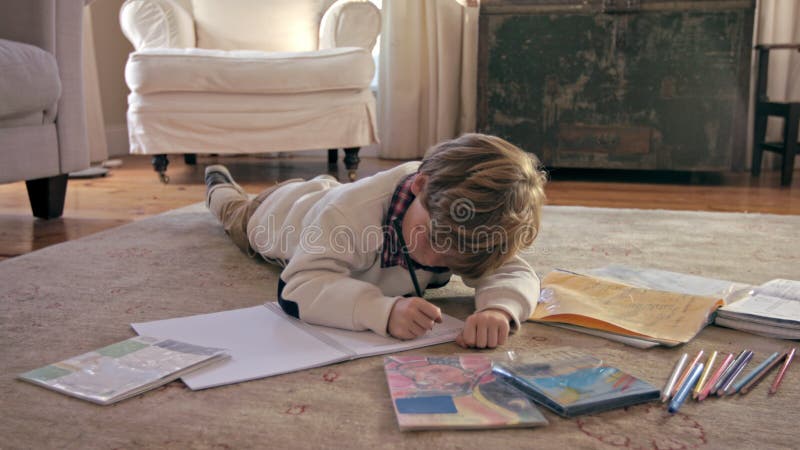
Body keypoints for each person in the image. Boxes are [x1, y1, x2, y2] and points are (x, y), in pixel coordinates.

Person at [205, 133, 547, 349]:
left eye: (452, 258)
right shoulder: (348, 216)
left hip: (331, 197)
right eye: (432, 239)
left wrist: (500, 309)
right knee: (232, 211)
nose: (433, 260)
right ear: (419, 186)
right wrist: (382, 311)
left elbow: (513, 272)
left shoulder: (471, 223)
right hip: (277, 213)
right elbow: (298, 289)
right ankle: (219, 186)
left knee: (335, 197)